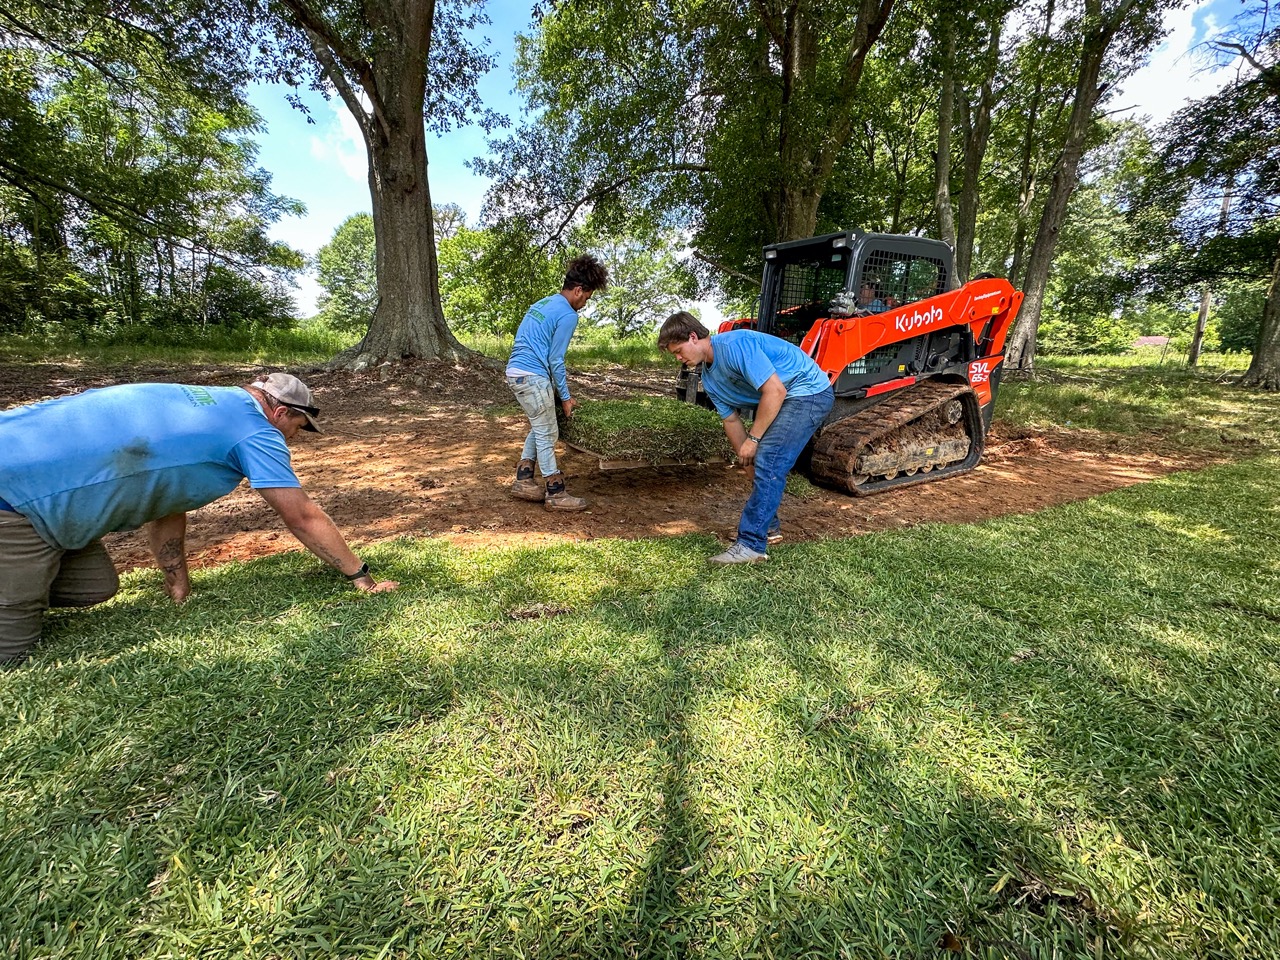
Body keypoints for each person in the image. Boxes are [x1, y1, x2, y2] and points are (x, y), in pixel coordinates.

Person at [0, 373, 398, 664]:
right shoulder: (256, 431)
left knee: (95, 587)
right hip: (16, 498)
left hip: (50, 504)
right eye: (298, 426)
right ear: (280, 410)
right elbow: (302, 516)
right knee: (14, 653)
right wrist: (361, 578)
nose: (296, 436)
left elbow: (168, 501)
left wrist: (179, 586)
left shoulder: (206, 402)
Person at [658, 312, 834, 565]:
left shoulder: (735, 345)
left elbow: (775, 390)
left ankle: (751, 545)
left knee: (770, 458)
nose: (678, 358)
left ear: (693, 337)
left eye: (678, 350)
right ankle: (769, 528)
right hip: (783, 398)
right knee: (761, 462)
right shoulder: (709, 379)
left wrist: (754, 440)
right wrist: (746, 458)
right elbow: (731, 420)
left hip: (808, 392)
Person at [506, 253, 610, 511]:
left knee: (540, 425)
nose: (585, 303)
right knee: (548, 432)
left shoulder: (543, 303)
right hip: (533, 377)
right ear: (578, 290)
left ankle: (524, 480)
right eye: (587, 297)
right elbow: (555, 359)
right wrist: (565, 397)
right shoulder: (568, 314)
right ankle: (555, 491)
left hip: (515, 372)